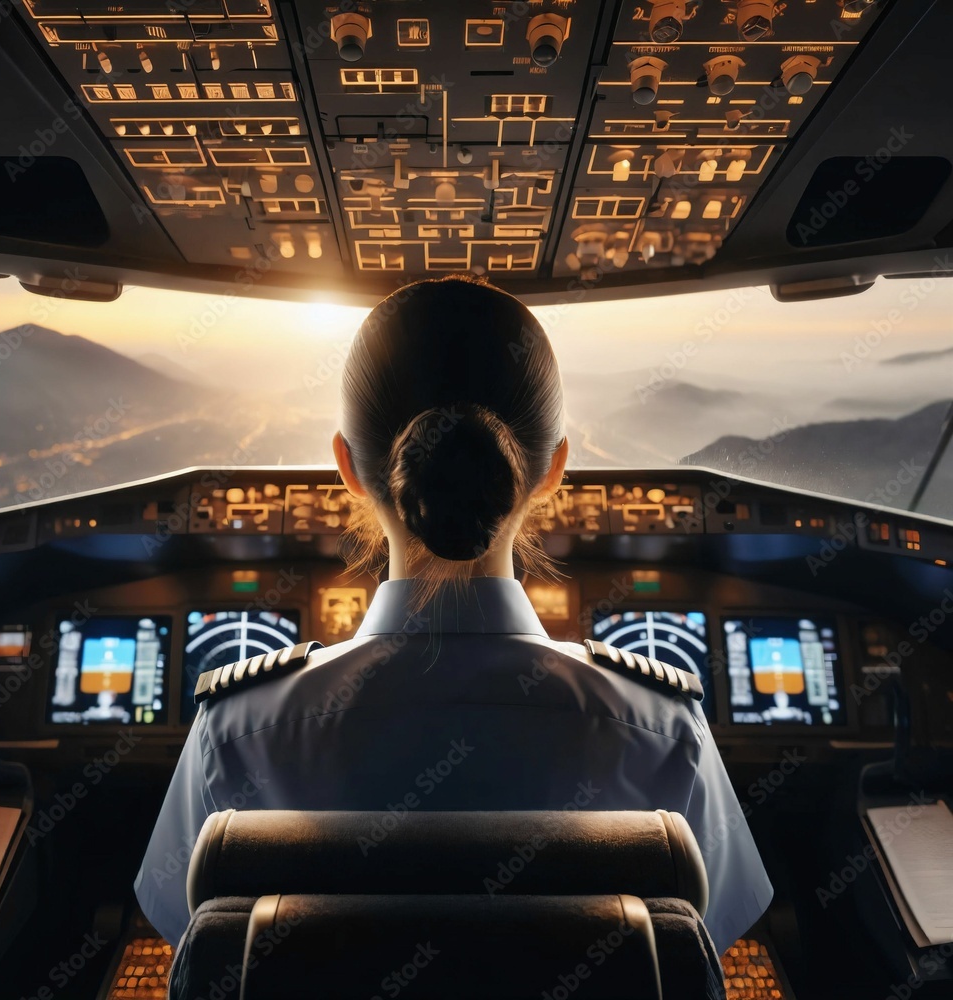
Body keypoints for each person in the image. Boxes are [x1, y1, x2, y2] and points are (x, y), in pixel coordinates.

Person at [134, 274, 773, 956]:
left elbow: (192, 940)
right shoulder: (665, 730)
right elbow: (709, 943)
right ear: (551, 470)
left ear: (348, 467)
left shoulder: (233, 731)